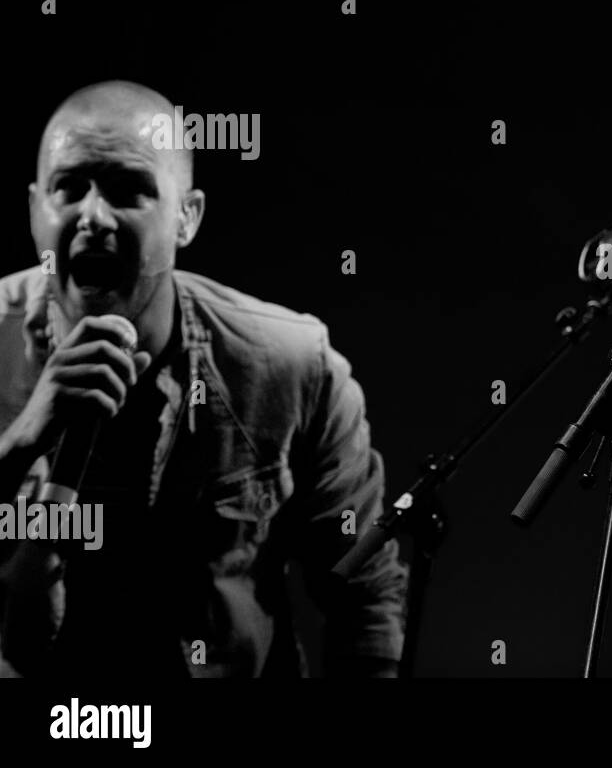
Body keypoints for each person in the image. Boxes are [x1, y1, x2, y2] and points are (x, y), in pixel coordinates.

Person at [0, 81, 407, 677]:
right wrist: (21, 441)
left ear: (186, 217)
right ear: (37, 210)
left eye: (127, 189)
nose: (93, 215)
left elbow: (366, 594)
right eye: (70, 187)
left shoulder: (291, 365)